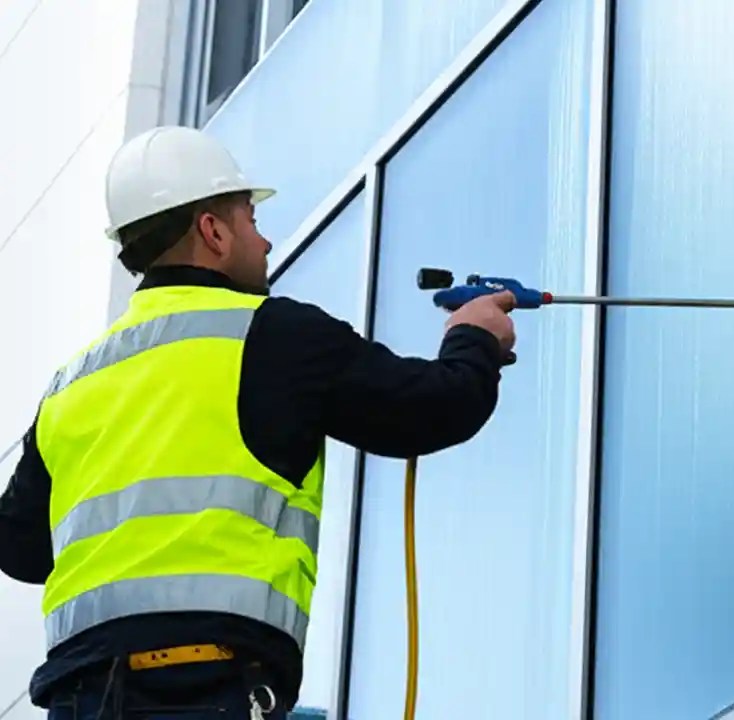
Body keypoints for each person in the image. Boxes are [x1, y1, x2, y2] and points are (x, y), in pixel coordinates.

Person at [0, 126, 517, 718]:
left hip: (83, 697)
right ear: (212, 231)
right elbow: (434, 409)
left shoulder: (74, 383)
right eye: (250, 219)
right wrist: (474, 337)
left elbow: (20, 549)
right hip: (211, 682)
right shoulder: (273, 335)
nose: (265, 241)